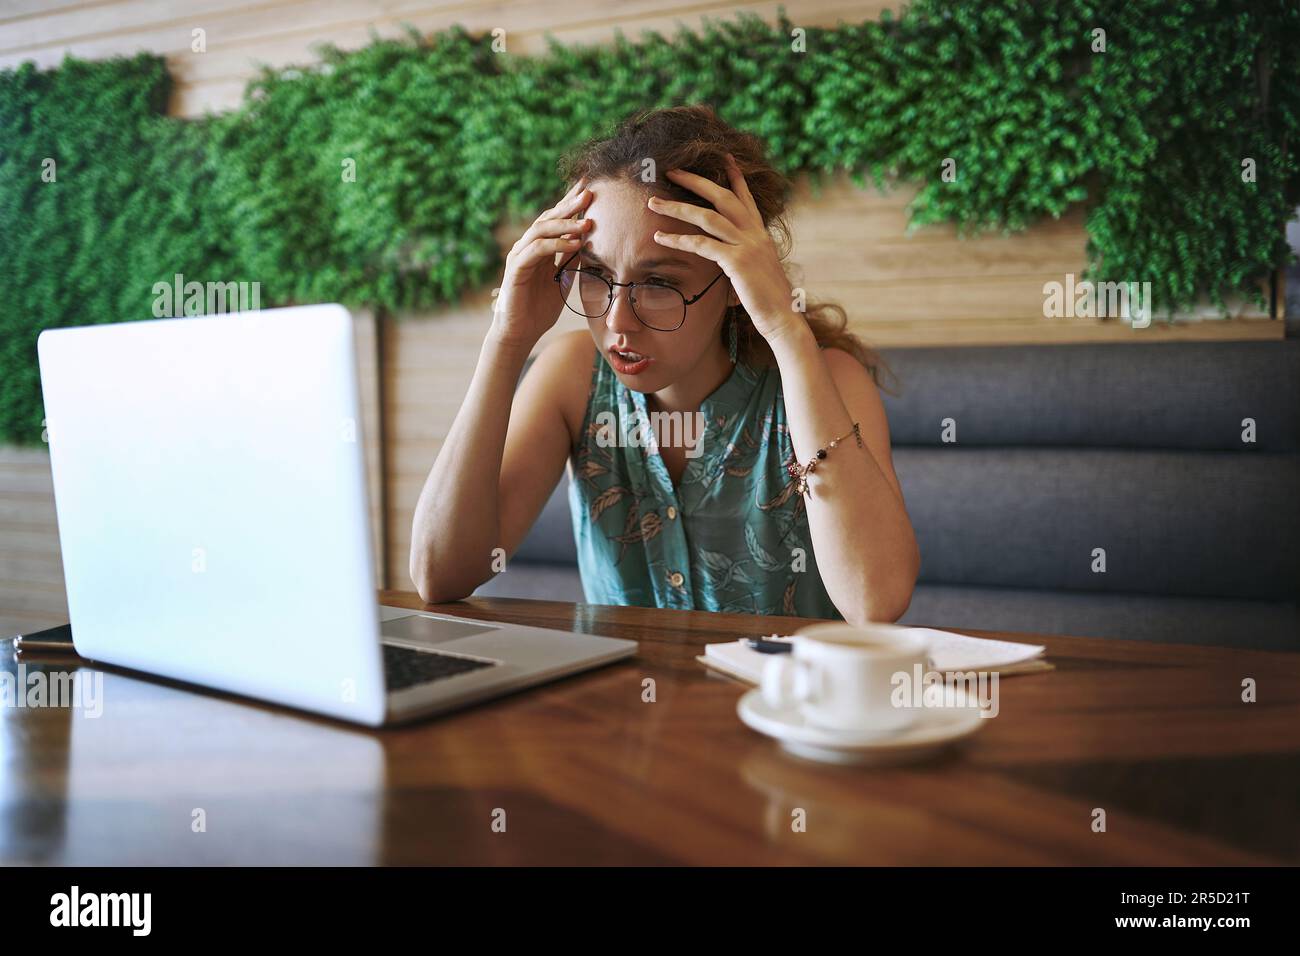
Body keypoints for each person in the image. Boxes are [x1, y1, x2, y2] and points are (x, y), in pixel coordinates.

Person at [410, 105, 919, 623]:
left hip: (780, 703)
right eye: (595, 273)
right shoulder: (570, 377)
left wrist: (786, 330)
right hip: (620, 703)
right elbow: (440, 574)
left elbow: (874, 601)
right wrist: (506, 338)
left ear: (732, 284)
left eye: (658, 284)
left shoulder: (825, 378)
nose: (617, 322)